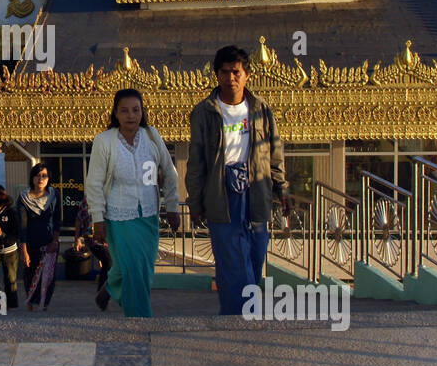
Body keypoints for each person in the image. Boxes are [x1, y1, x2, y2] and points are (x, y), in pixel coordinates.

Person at [186, 45, 288, 316]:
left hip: (256, 188)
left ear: (247, 75)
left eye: (236, 72)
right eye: (224, 72)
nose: (230, 78)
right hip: (222, 191)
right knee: (232, 260)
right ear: (216, 75)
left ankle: (243, 312)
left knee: (254, 255)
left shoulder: (260, 109)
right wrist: (194, 202)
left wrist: (281, 188)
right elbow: (196, 162)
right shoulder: (204, 112)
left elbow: (274, 151)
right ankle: (238, 317)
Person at [85, 89, 180, 317]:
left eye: (136, 110)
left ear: (142, 112)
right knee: (134, 272)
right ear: (116, 114)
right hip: (119, 217)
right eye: (124, 110)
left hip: (148, 215)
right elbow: (94, 183)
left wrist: (173, 207)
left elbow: (169, 172)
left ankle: (110, 287)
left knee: (143, 270)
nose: (131, 115)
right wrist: (97, 219)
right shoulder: (104, 141)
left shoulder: (151, 136)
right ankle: (140, 320)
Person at [18, 162, 60, 311]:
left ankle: (45, 303)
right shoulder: (24, 198)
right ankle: (30, 301)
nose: (41, 179)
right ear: (32, 178)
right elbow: (22, 226)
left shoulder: (54, 195)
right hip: (30, 243)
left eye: (44, 176)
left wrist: (55, 240)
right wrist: (24, 250)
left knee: (48, 276)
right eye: (37, 175)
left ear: (49, 178)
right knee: (30, 273)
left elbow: (57, 219)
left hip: (49, 241)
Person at [74, 197, 112, 299]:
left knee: (110, 264)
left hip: (109, 238)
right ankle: (102, 294)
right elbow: (79, 219)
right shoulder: (88, 199)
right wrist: (77, 238)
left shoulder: (113, 196)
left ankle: (107, 293)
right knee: (108, 263)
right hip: (92, 238)